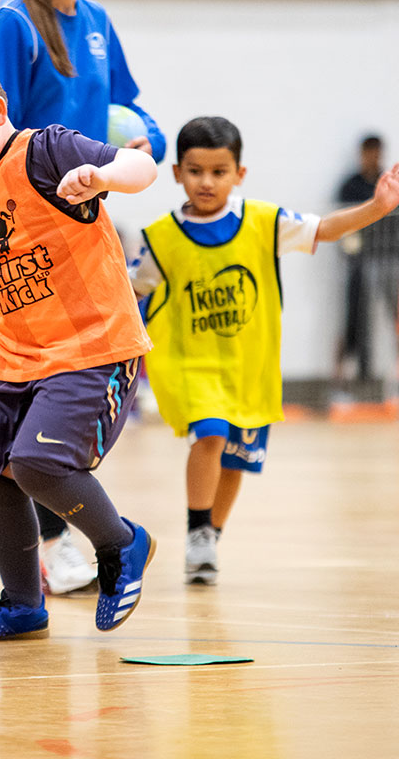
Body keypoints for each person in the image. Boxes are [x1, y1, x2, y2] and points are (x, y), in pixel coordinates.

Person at [0, 46, 157, 639]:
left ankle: (122, 543)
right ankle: (23, 604)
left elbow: (140, 168)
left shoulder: (46, 150)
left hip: (93, 350)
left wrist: (102, 176)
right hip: (20, 364)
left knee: (38, 464)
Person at [129, 116, 399, 585]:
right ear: (176, 173)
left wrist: (377, 207)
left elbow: (328, 229)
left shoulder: (265, 222)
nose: (207, 182)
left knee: (235, 461)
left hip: (248, 368)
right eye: (195, 171)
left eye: (218, 171)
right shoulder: (160, 240)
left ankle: (209, 536)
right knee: (210, 436)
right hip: (191, 366)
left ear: (239, 174)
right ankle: (197, 533)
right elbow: (127, 293)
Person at [0, 0, 167, 595]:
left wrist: (149, 139)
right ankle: (54, 553)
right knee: (28, 402)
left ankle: (73, 544)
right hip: (31, 230)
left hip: (86, 214)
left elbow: (128, 104)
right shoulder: (13, 22)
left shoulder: (97, 20)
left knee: (62, 392)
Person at [334, 134, 390, 386]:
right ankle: (344, 378)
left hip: (389, 260)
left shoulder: (388, 184)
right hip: (359, 263)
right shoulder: (351, 186)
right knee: (354, 318)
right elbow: (342, 223)